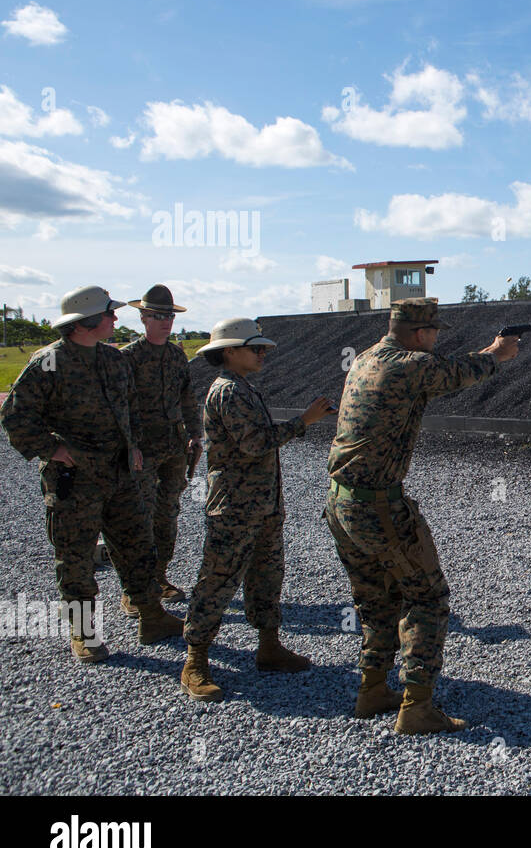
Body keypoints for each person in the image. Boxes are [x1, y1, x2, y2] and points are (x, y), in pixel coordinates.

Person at [325, 297, 518, 733]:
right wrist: (498, 353)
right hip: (376, 504)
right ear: (419, 333)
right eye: (434, 333)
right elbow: (456, 372)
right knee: (426, 597)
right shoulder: (407, 364)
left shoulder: (366, 358)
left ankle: (372, 688)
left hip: (341, 502)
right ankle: (417, 706)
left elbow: (441, 369)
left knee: (378, 600)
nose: (436, 341)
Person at [0, 285, 184, 661]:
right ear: (86, 322)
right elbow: (15, 416)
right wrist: (53, 450)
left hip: (121, 474)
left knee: (137, 545)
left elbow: (129, 407)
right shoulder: (49, 362)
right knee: (76, 556)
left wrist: (133, 445)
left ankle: (150, 615)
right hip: (76, 480)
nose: (116, 318)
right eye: (109, 314)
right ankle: (84, 634)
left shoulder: (114, 360)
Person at [180, 318, 334, 701]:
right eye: (255, 348)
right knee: (218, 579)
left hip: (262, 504)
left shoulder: (244, 388)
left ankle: (269, 648)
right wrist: (303, 422)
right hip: (234, 506)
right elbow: (255, 444)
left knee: (268, 575)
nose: (262, 354)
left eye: (263, 348)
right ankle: (195, 660)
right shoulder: (229, 391)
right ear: (230, 351)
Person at [117, 285, 201, 611]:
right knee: (138, 518)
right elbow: (119, 407)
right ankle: (134, 589)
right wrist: (130, 445)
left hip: (174, 448)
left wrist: (196, 434)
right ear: (142, 317)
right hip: (142, 450)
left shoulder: (177, 355)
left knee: (167, 516)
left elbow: (187, 398)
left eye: (169, 316)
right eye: (158, 316)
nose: (166, 322)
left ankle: (159, 577)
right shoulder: (128, 358)